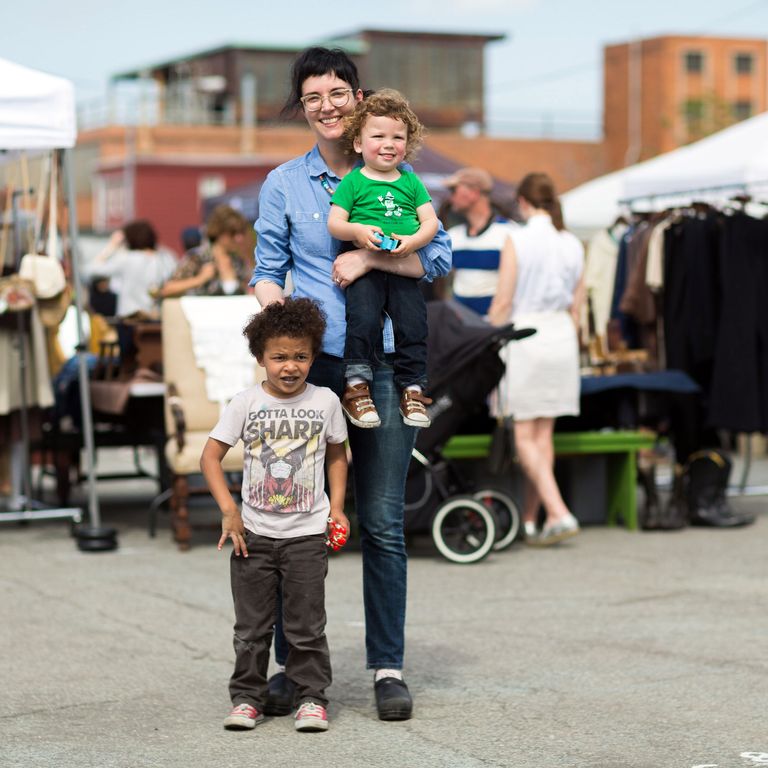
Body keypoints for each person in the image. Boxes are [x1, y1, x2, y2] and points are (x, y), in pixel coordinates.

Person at [252, 46, 452, 721]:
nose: (327, 107)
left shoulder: (399, 174)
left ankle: (387, 667)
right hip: (314, 373)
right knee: (295, 524)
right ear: (302, 107)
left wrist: (369, 258)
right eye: (313, 97)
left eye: (337, 93)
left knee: (384, 523)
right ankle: (294, 667)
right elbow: (266, 271)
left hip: (388, 367)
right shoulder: (284, 183)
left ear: (359, 98)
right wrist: (280, 332)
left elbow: (437, 258)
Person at [200, 297, 349, 733]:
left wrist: (337, 507)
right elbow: (210, 457)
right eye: (279, 357)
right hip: (254, 536)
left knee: (307, 628)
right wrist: (229, 511)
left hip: (307, 535)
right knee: (251, 629)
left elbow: (337, 455)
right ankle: (247, 698)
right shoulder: (245, 403)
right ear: (261, 358)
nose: (290, 366)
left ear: (313, 357)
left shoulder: (325, 401)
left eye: (300, 356)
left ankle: (312, 699)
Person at [327, 89, 438, 429]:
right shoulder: (353, 181)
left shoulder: (411, 181)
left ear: (408, 143)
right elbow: (335, 223)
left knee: (414, 323)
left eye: (397, 137)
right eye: (378, 136)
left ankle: (413, 387)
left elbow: (431, 222)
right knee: (361, 319)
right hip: (364, 264)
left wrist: (414, 241)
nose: (389, 144)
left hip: (402, 264)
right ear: (358, 143)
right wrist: (357, 231)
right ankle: (356, 384)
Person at [487, 172, 585, 546]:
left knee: (525, 436)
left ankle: (558, 512)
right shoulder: (572, 242)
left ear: (523, 202)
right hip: (562, 336)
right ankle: (531, 519)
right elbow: (578, 307)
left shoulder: (517, 238)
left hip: (526, 334)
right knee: (543, 437)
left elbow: (503, 300)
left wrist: (487, 333)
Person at [445, 166, 516, 318]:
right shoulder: (453, 236)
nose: (451, 198)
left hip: (495, 326)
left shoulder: (509, 233)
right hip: (460, 326)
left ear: (474, 193)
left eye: (454, 190)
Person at [159, 205, 251, 298]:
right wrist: (200, 279)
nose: (239, 238)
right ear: (218, 231)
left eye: (241, 233)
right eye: (232, 233)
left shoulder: (239, 262)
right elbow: (166, 289)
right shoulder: (197, 257)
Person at [91, 220, 177, 318]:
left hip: (130, 316)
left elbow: (93, 270)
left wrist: (112, 246)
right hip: (157, 317)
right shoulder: (166, 259)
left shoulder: (127, 258)